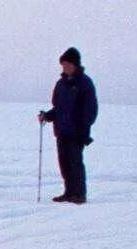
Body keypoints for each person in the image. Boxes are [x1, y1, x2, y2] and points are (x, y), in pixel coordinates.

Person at [39, 48, 99, 203]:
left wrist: (83, 128)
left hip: (77, 132)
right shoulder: (61, 84)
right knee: (64, 163)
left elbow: (90, 110)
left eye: (67, 64)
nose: (64, 67)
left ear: (75, 64)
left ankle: (79, 194)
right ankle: (69, 192)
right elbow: (58, 108)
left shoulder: (85, 83)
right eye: (63, 64)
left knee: (75, 163)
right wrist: (47, 116)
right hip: (62, 131)